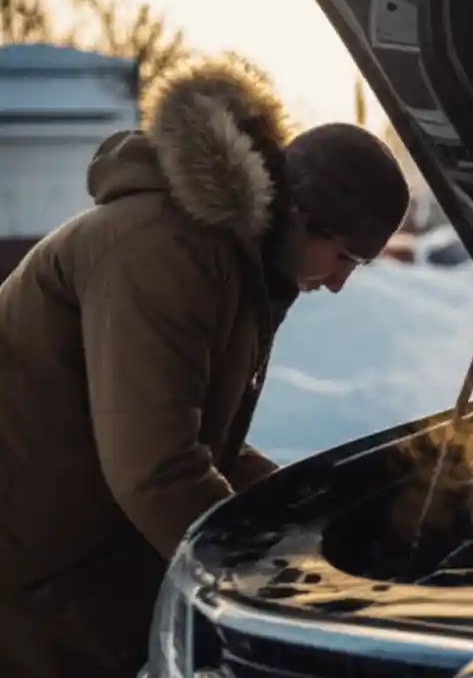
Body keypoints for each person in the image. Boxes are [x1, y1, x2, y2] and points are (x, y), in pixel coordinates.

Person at [0, 55, 410, 676]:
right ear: (302, 215)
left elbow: (201, 444)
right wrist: (272, 585)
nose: (338, 283)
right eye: (345, 256)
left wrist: (305, 510)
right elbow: (157, 469)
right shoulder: (161, 251)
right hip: (27, 577)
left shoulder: (231, 264)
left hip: (66, 575)